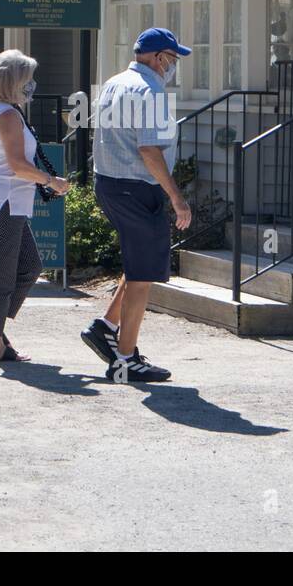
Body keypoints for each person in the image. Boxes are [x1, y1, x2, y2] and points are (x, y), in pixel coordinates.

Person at [80, 28, 192, 382]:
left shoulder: (113, 83)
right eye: (173, 59)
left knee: (139, 262)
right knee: (144, 275)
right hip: (137, 188)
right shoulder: (152, 91)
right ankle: (125, 359)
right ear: (159, 58)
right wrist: (177, 197)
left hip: (108, 182)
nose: (173, 66)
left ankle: (107, 325)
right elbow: (149, 150)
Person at [0, 50, 71, 362]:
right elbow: (17, 164)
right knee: (2, 274)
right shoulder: (8, 115)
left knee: (29, 266)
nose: (31, 86)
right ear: (14, 81)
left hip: (6, 201)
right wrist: (50, 180)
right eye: (27, 80)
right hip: (3, 200)